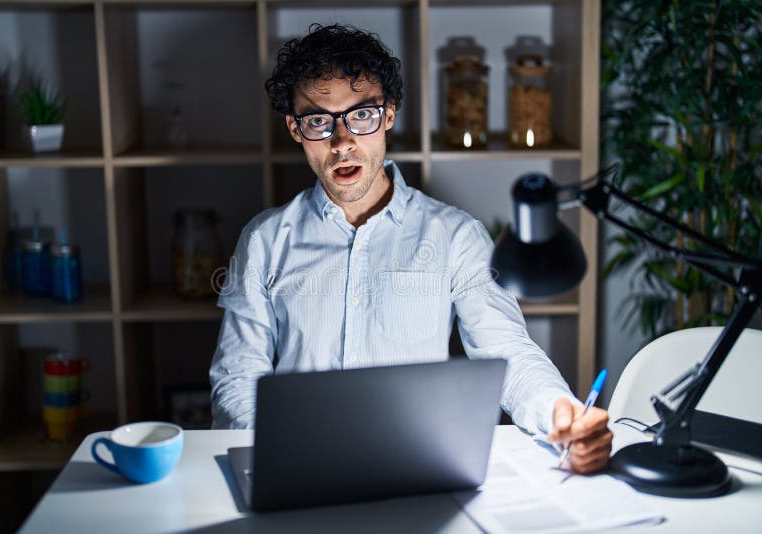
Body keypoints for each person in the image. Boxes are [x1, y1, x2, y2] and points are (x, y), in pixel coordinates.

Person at [210, 24, 612, 473]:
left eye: (361, 115)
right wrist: (265, 458)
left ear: (388, 116)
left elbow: (509, 354)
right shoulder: (264, 240)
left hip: (414, 465)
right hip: (294, 463)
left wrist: (562, 413)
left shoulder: (455, 236)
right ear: (295, 129)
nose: (342, 142)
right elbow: (238, 375)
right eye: (319, 121)